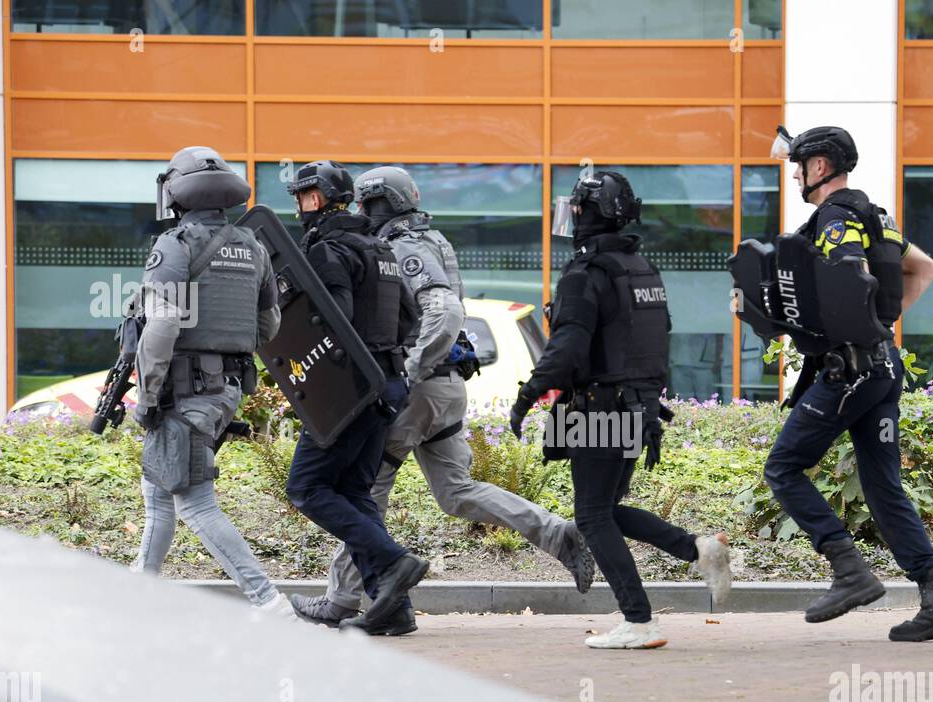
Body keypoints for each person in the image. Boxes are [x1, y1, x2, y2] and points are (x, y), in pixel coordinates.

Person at [290, 166, 595, 635]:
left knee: (362, 490)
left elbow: (444, 308)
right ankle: (557, 533)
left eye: (363, 206)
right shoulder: (432, 238)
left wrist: (406, 369)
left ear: (377, 204)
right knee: (456, 492)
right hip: (447, 387)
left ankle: (344, 599)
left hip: (420, 388)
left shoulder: (402, 245)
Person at [509, 170, 731, 650]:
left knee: (590, 516)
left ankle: (639, 619)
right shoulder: (640, 270)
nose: (575, 219)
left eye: (579, 210)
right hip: (636, 407)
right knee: (604, 509)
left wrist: (529, 394)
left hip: (598, 408)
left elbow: (567, 348)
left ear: (590, 215)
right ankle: (696, 548)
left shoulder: (587, 274)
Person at [762, 126, 933, 641]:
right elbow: (924, 268)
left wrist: (847, 331)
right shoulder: (878, 216)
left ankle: (849, 570)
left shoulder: (833, 219)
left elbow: (847, 278)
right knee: (882, 486)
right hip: (881, 367)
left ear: (821, 166)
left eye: (799, 165)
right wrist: (882, 330)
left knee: (784, 468)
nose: (796, 174)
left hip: (849, 371)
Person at [130, 146, 297, 621]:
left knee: (195, 504)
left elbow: (161, 327)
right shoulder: (252, 247)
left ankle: (269, 602)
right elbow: (268, 327)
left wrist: (147, 394)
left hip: (183, 391)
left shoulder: (175, 245)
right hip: (223, 388)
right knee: (159, 490)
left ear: (176, 195)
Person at [283, 161, 430, 633]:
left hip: (348, 387)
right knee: (353, 492)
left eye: (305, 197)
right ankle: (395, 612)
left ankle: (396, 559)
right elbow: (410, 320)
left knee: (307, 488)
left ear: (322, 198)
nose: (301, 206)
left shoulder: (329, 250)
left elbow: (333, 321)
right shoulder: (380, 248)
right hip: (387, 383)